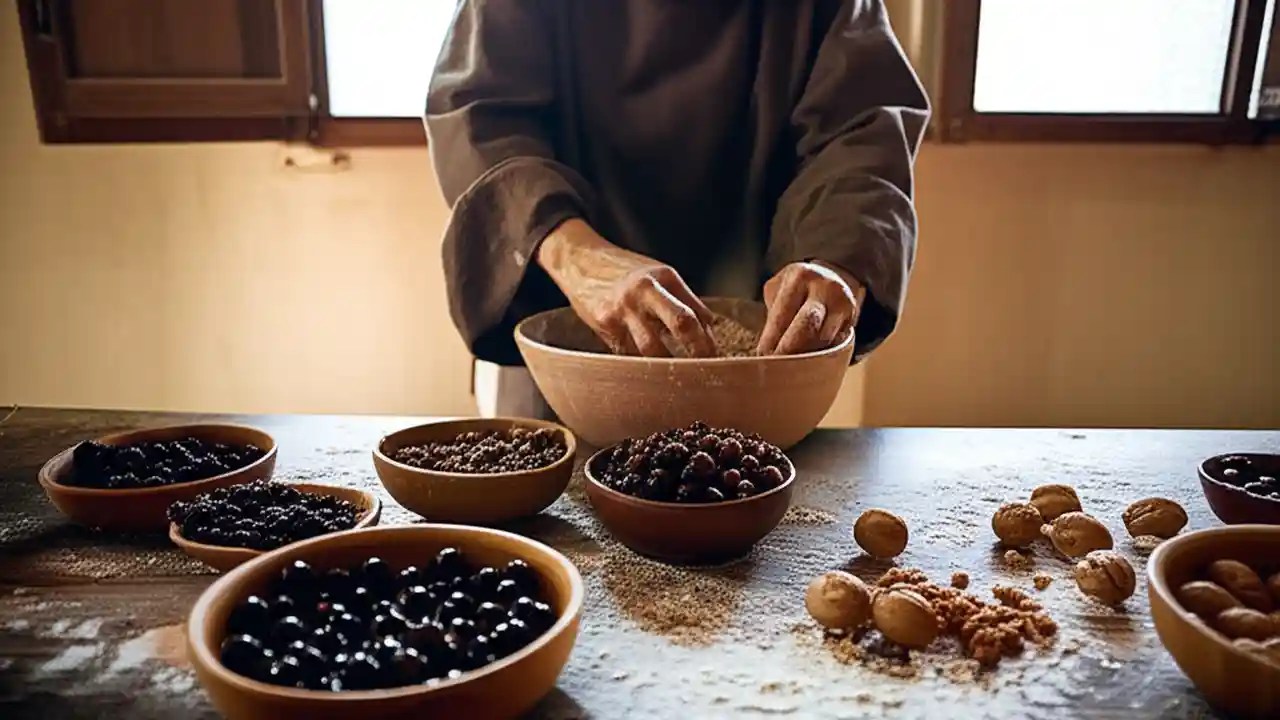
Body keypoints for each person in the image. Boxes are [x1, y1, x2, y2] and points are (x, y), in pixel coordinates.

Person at [427, 0, 929, 418]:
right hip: (560, 330)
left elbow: (861, 133)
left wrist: (836, 258)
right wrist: (578, 257)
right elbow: (480, 117)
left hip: (755, 353)